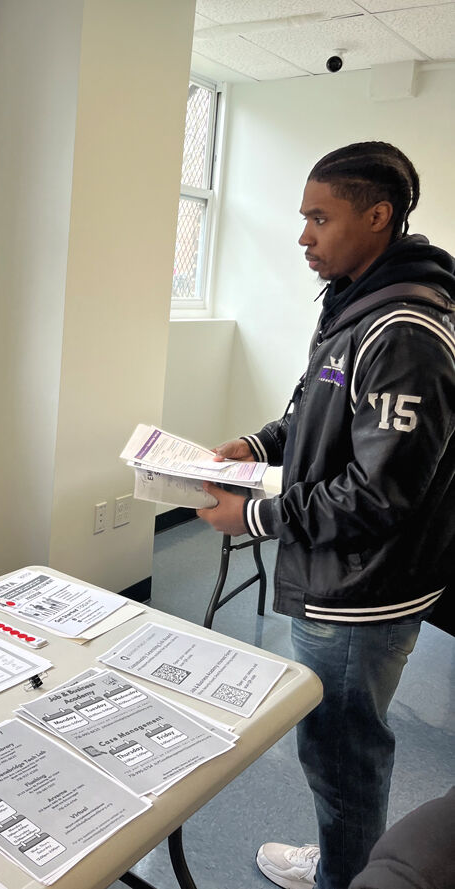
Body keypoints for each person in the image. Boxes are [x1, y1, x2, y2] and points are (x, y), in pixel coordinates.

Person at [195, 142, 455, 889]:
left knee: (341, 752)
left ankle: (345, 876)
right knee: (336, 744)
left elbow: (379, 495)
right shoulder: (355, 302)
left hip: (363, 590)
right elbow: (317, 412)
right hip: (335, 571)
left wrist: (255, 518)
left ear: (378, 216)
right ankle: (344, 859)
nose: (304, 235)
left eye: (320, 217)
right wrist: (256, 443)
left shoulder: (404, 332)